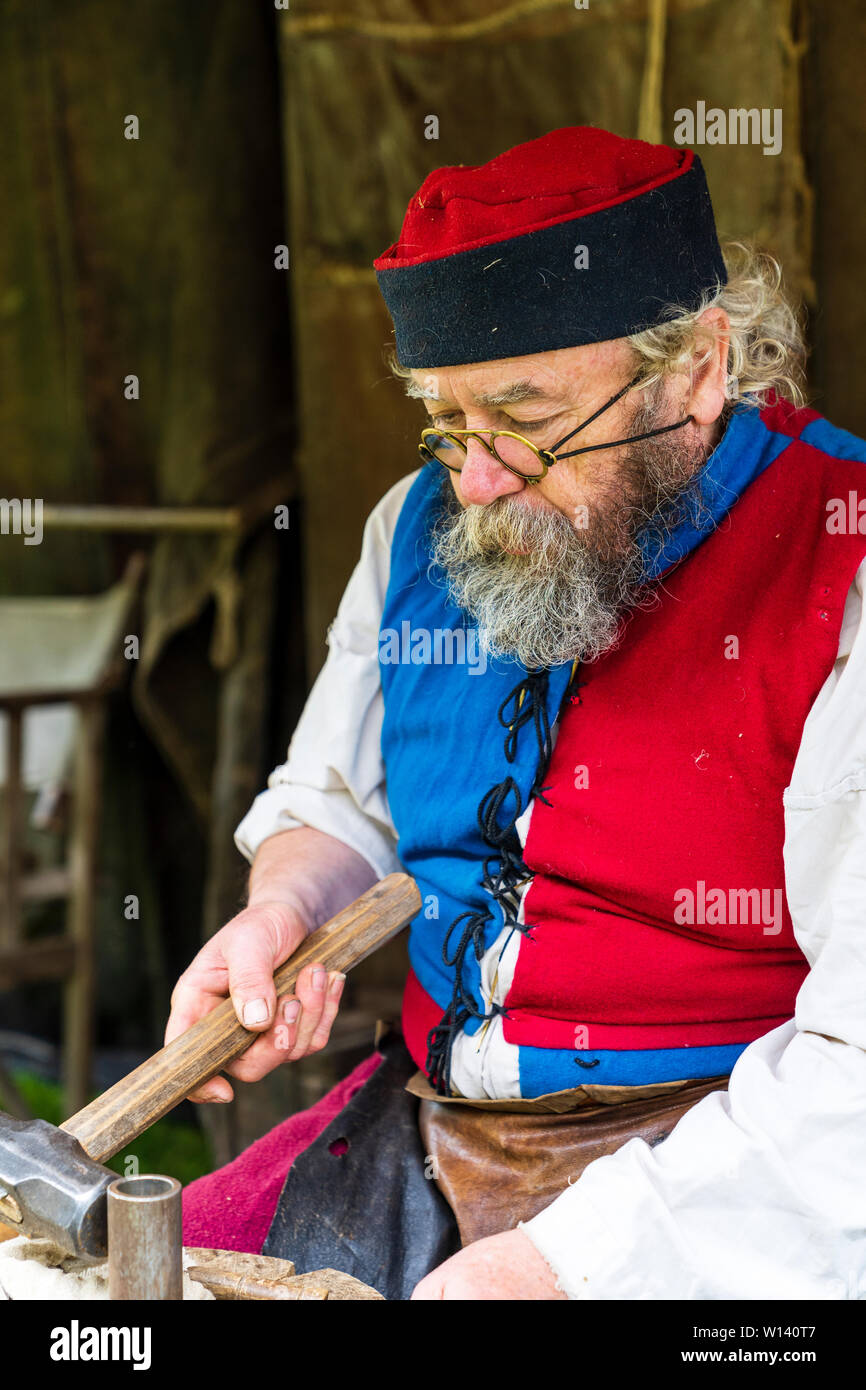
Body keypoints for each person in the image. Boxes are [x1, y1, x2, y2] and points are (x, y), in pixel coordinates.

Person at [171, 126, 866, 1300]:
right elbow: (341, 802)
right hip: (426, 1124)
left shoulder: (839, 569)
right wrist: (286, 902)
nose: (476, 479)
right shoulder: (415, 523)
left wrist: (563, 1268)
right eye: (445, 421)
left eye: (525, 419)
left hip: (731, 1171)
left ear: (695, 369)